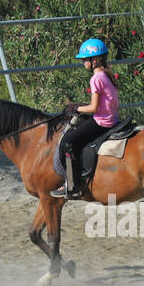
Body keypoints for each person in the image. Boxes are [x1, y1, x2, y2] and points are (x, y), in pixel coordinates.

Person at [51, 38, 120, 199]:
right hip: (111, 118)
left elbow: (94, 108)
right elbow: (100, 103)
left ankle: (73, 185)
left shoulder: (96, 78)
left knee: (68, 142)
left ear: (94, 60)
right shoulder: (105, 75)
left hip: (102, 121)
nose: (82, 61)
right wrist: (78, 104)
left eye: (84, 59)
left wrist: (75, 108)